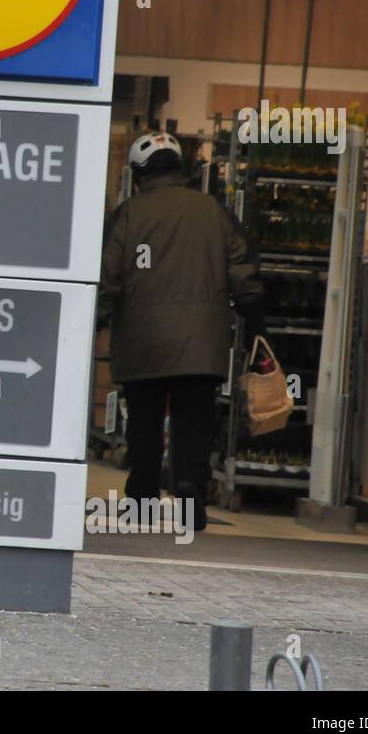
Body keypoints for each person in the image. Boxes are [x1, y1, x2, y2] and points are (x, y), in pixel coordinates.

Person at [97, 132, 264, 532]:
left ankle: (141, 499)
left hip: (144, 341)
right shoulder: (213, 211)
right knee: (194, 420)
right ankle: (190, 492)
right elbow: (242, 270)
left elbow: (108, 278)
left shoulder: (128, 215)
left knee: (144, 422)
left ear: (138, 175)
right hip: (201, 343)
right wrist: (255, 317)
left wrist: (93, 321)